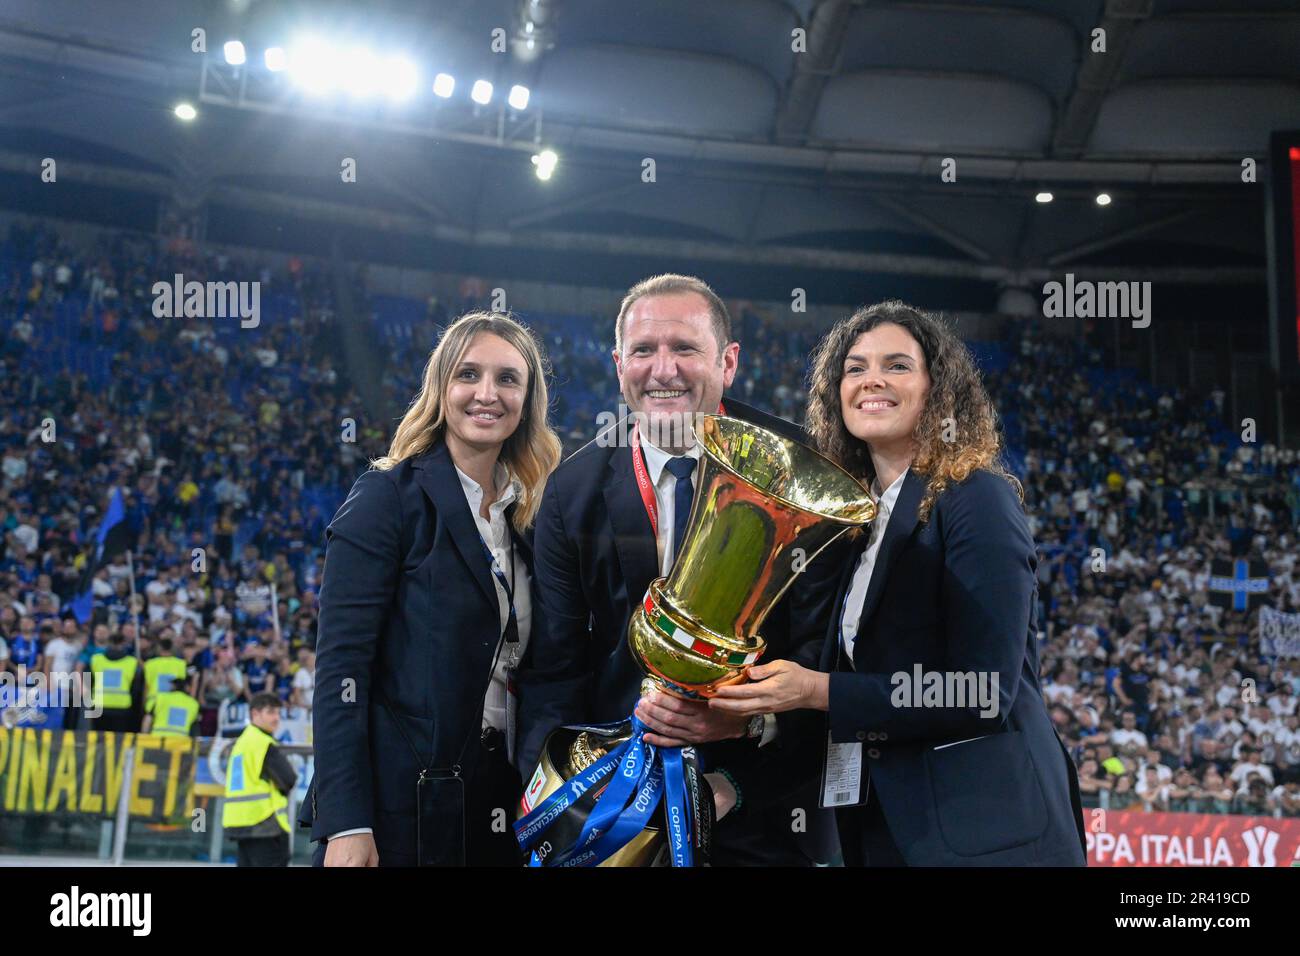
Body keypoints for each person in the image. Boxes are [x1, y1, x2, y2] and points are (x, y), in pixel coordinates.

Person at [711, 300, 1087, 866]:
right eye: (855, 368)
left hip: (989, 836)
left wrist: (817, 690)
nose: (872, 380)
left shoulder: (975, 497)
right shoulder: (857, 520)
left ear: (939, 390)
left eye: (897, 366)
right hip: (887, 832)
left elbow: (983, 690)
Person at [515, 273, 833, 866]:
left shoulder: (804, 472)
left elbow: (824, 658)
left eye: (685, 349)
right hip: (618, 818)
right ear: (618, 365)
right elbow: (555, 672)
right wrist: (556, 804)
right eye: (643, 351)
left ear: (728, 361)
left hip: (767, 816)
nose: (663, 370)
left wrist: (745, 724)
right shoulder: (572, 490)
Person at [301, 311, 562, 867]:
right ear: (441, 388)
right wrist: (347, 821)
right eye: (468, 374)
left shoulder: (531, 518)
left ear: (528, 400)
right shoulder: (387, 498)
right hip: (398, 813)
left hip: (499, 807)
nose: (486, 394)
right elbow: (340, 671)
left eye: (508, 379)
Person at [223, 693, 297, 866]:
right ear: (255, 714)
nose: (276, 718)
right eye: (270, 712)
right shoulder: (263, 743)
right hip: (265, 825)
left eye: (278, 713)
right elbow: (288, 779)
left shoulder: (241, 742)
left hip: (240, 823)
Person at [89, 631, 143, 733]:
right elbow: (136, 689)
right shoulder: (132, 662)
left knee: (99, 741)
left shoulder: (96, 659)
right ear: (124, 644)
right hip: (122, 707)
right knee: (118, 741)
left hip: (98, 706)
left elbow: (89, 682)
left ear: (108, 643)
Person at [143, 638, 189, 710]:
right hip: (173, 703)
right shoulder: (181, 664)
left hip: (154, 702)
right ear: (172, 648)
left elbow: (146, 686)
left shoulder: (150, 664)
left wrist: (144, 703)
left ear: (159, 648)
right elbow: (182, 686)